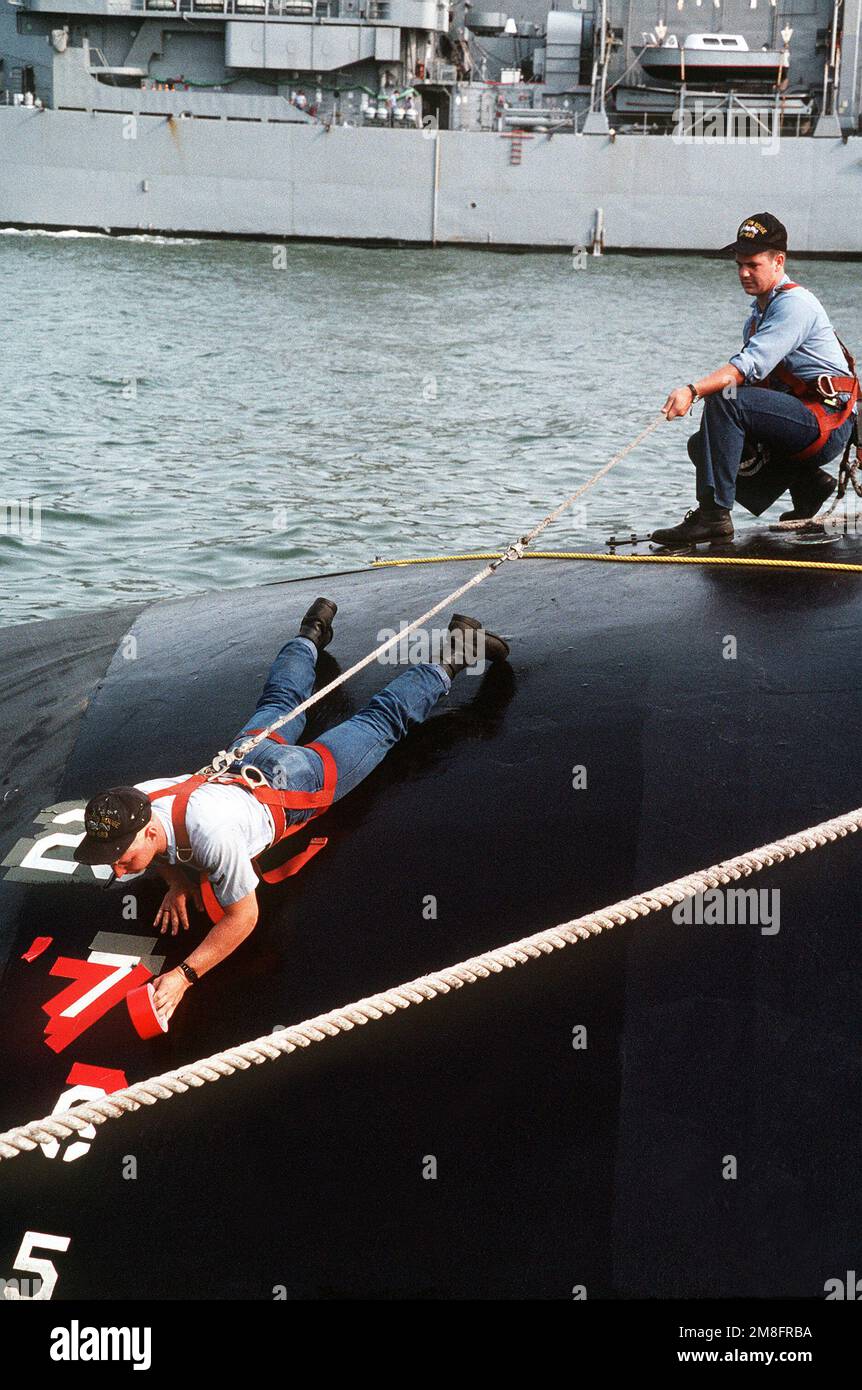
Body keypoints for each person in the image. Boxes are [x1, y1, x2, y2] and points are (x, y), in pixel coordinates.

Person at [73, 599, 510, 1025]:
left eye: (121, 854)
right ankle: (312, 631)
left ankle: (459, 648)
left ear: (148, 832)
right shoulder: (140, 799)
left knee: (383, 721)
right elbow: (158, 848)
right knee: (280, 699)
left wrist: (184, 976)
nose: (116, 864)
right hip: (248, 757)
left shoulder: (214, 838)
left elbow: (244, 918)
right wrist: (173, 883)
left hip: (296, 783)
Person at [653, 213, 859, 547]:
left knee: (724, 397)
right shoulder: (758, 314)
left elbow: (747, 367)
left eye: (753, 264)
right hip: (797, 421)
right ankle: (807, 484)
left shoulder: (796, 305)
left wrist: (692, 390)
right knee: (702, 445)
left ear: (778, 261)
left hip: (826, 423)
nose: (743, 273)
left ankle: (714, 519)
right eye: (739, 265)